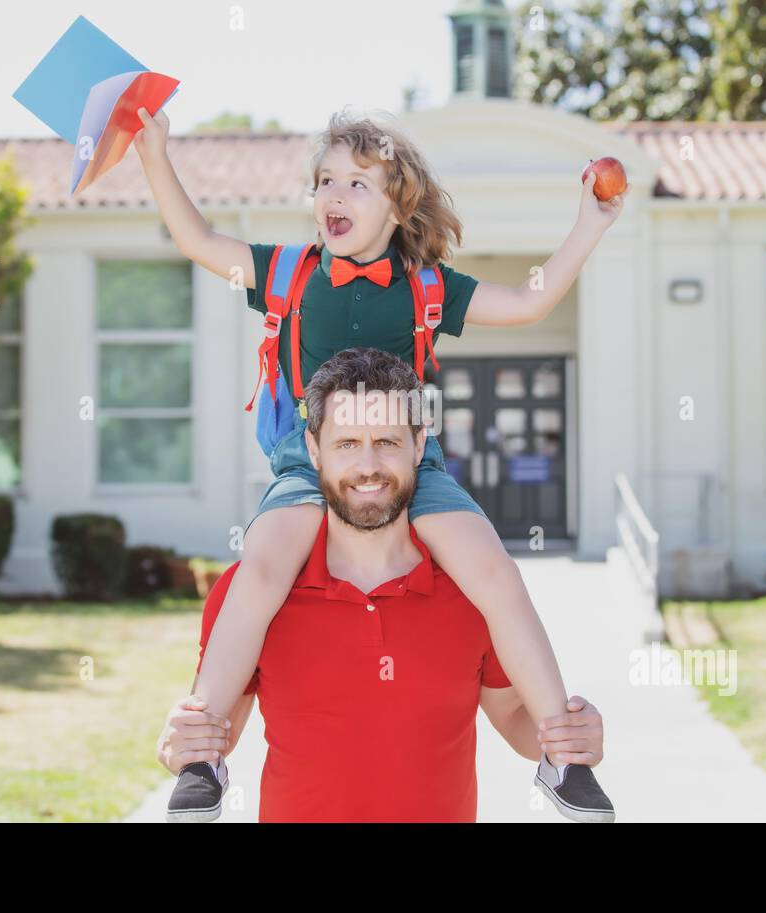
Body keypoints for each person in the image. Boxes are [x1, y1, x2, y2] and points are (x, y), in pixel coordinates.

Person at [136, 104, 626, 821]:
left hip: (408, 460)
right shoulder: (287, 272)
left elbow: (529, 300)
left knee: (491, 566)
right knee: (262, 566)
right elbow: (197, 237)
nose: (334, 194)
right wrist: (153, 151)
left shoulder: (427, 285)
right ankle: (204, 755)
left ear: (399, 204)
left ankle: (564, 757)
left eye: (358, 183)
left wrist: (589, 223)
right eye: (325, 180)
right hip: (312, 459)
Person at [157, 348, 612, 822]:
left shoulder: (472, 587)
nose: (368, 466)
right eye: (347, 443)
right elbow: (219, 733)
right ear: (314, 450)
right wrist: (181, 742)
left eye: (387, 442)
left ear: (419, 446)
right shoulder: (255, 589)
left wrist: (565, 737)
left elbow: (515, 720)